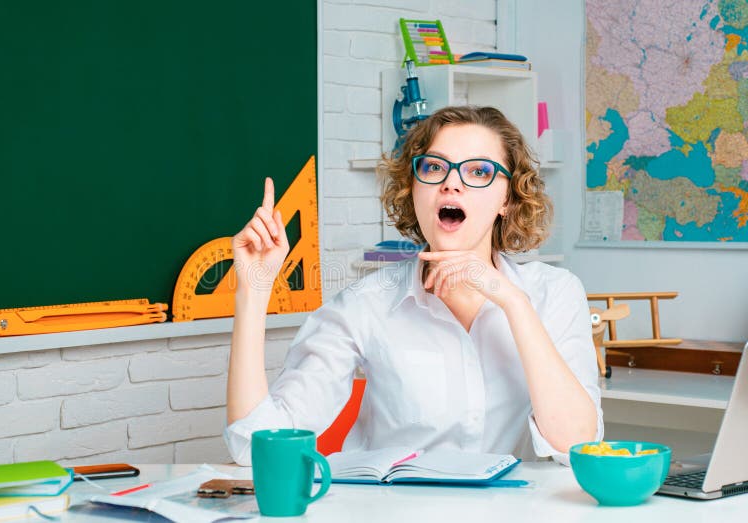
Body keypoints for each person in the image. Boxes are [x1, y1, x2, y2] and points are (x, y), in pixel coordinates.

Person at [224, 105, 602, 467]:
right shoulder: (365, 306)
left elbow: (576, 445)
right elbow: (254, 446)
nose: (451, 183)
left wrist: (511, 301)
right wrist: (254, 292)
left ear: (507, 198)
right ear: (414, 189)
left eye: (478, 171)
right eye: (435, 167)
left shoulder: (554, 293)